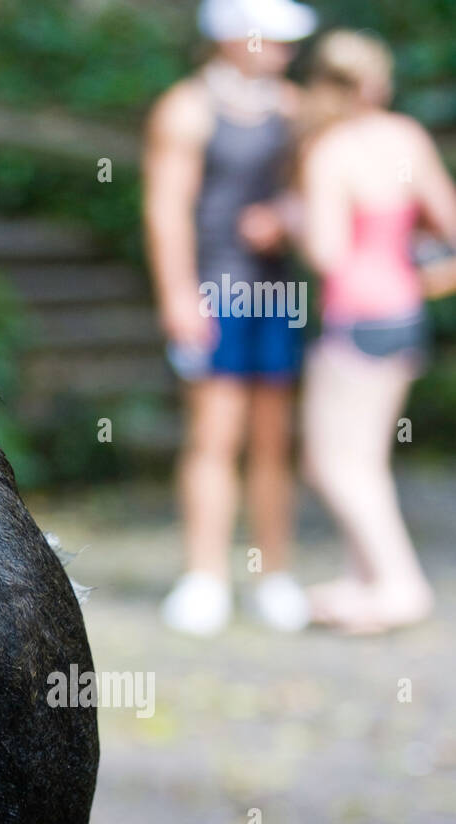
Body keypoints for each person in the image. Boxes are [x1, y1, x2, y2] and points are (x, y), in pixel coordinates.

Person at [144, 0, 317, 636]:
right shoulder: (187, 108)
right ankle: (205, 577)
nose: (283, 51)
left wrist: (289, 217)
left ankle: (275, 576)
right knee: (213, 437)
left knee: (274, 440)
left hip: (278, 294)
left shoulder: (295, 109)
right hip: (215, 292)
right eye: (271, 39)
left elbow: (315, 190)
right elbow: (167, 209)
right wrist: (177, 297)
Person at [296, 30, 456, 633]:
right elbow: (446, 218)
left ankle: (399, 585)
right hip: (404, 314)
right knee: (366, 457)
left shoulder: (328, 151)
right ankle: (363, 579)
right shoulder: (406, 136)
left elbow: (327, 251)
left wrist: (291, 218)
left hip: (356, 317)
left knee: (334, 463)